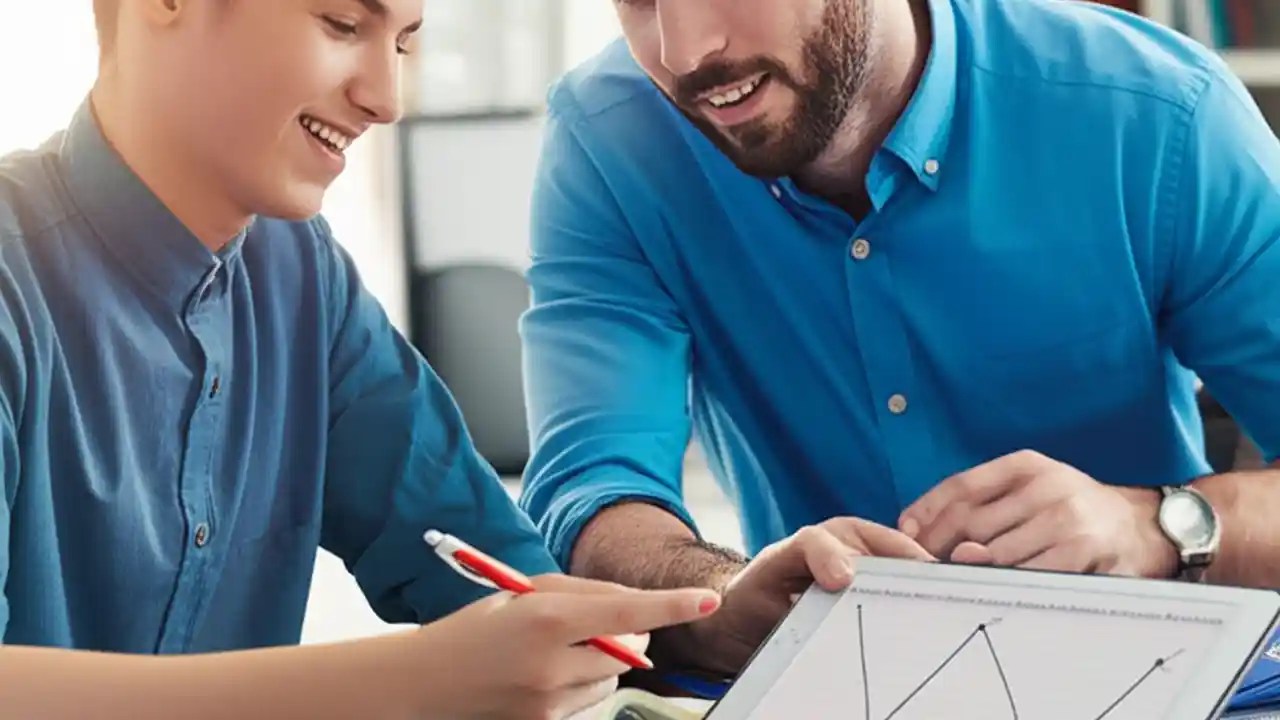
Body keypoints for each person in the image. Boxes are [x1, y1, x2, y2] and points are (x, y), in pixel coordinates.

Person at [0, 0, 723, 717]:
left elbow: (500, 570)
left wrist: (708, 616)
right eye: (342, 25)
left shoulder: (302, 276)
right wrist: (413, 680)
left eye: (403, 45)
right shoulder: (15, 284)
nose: (387, 101)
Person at [518, 0, 1280, 676]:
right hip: (824, 683)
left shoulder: (1157, 109)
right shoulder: (609, 136)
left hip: (1150, 670)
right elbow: (590, 491)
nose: (685, 52)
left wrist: (1154, 527)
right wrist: (720, 595)